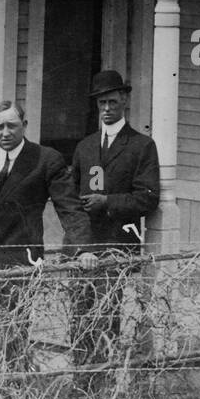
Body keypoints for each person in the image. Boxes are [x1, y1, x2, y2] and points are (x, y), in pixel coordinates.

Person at [0, 100, 94, 375]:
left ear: (24, 126)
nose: (5, 132)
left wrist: (83, 248)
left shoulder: (45, 159)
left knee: (13, 334)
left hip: (19, 262)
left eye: (12, 126)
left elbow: (69, 208)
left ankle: (12, 391)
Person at [69, 70, 160, 366]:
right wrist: (78, 241)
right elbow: (70, 198)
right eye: (101, 103)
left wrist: (108, 202)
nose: (107, 109)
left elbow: (147, 197)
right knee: (79, 314)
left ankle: (104, 376)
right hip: (84, 245)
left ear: (124, 100)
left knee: (106, 314)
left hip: (115, 244)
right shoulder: (85, 146)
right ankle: (81, 375)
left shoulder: (141, 146)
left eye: (112, 102)